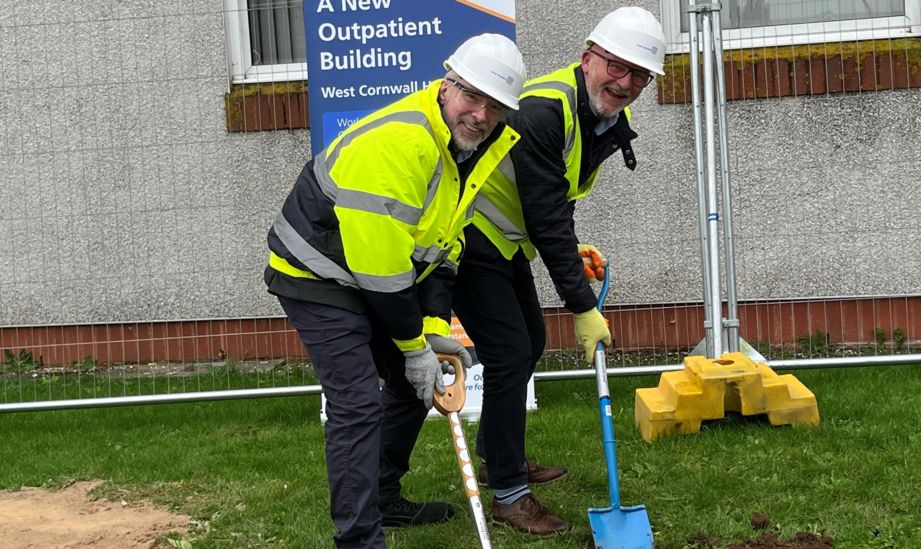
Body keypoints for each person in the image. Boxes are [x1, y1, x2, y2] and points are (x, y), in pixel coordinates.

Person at [264, 34, 525, 548]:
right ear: (447, 84)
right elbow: (379, 267)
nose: (480, 113)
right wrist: (412, 347)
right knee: (357, 402)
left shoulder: (476, 148)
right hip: (316, 274)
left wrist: (431, 330)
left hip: (374, 276)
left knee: (411, 384)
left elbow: (445, 249)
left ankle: (384, 498)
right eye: (472, 96)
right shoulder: (402, 143)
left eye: (495, 105)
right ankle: (360, 538)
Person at [451, 7, 667, 535]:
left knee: (529, 340)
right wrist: (583, 306)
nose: (626, 82)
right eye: (616, 66)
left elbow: (556, 199)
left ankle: (499, 455)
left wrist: (575, 249)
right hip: (468, 236)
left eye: (640, 74)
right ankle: (507, 493)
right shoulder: (545, 110)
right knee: (508, 352)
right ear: (588, 58)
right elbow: (546, 216)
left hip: (503, 241)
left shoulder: (604, 119)